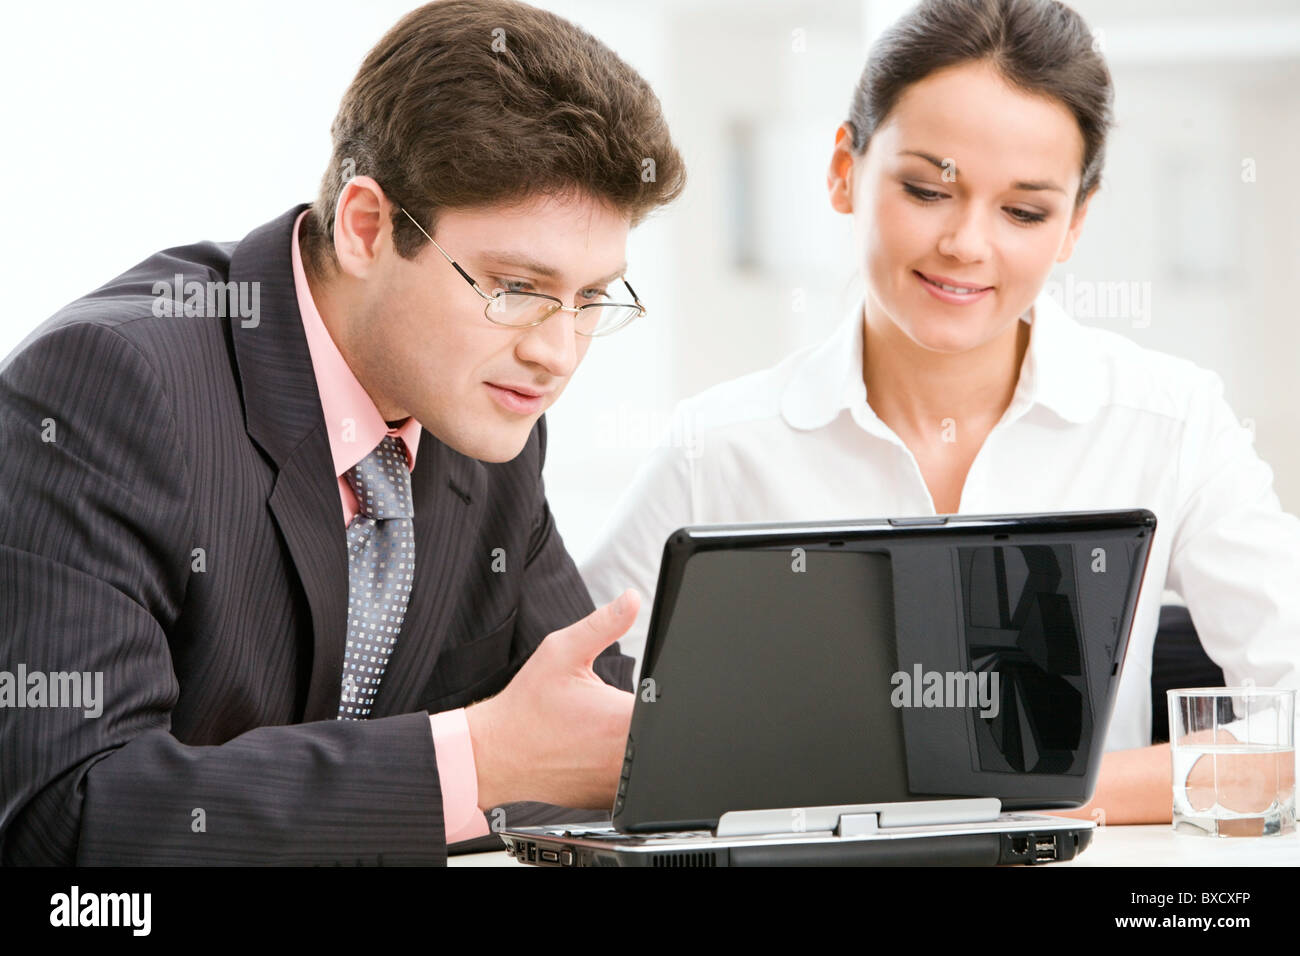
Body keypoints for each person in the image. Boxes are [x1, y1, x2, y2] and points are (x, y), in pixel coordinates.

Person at [580, 0, 1300, 825]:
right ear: (844, 170)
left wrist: (1040, 799)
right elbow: (571, 711)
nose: (966, 243)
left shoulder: (1169, 421)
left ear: (1075, 224)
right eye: (927, 189)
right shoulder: (720, 447)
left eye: (1025, 211)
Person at [0, 0, 684, 864]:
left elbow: (587, 736)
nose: (557, 353)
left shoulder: (487, 412)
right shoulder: (111, 388)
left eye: (591, 299)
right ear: (366, 227)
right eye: (515, 286)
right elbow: (63, 817)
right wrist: (474, 762)